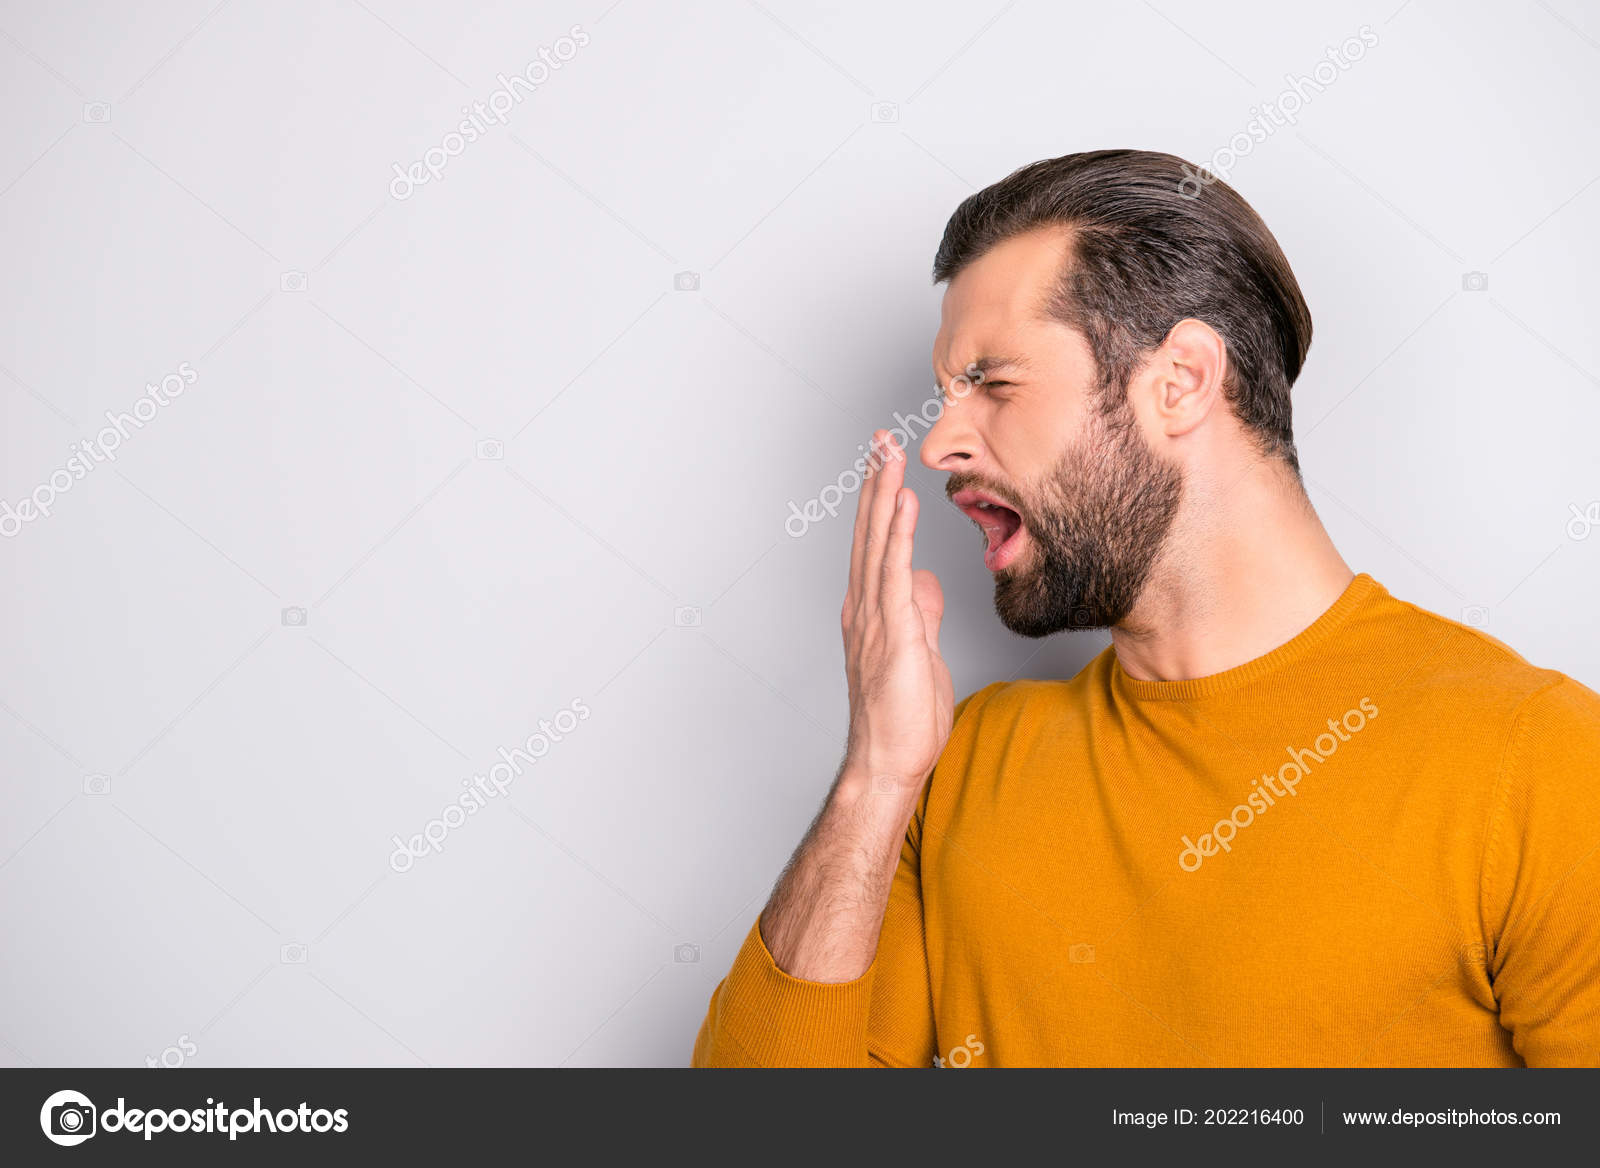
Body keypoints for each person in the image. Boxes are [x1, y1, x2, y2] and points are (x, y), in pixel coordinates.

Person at [691, 150, 1600, 1067]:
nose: (941, 445)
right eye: (944, 398)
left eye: (993, 384)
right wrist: (877, 780)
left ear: (1180, 382)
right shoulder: (961, 765)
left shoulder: (1538, 758)